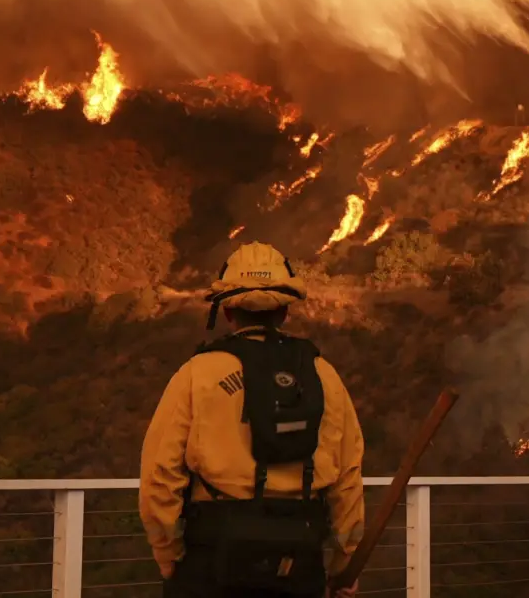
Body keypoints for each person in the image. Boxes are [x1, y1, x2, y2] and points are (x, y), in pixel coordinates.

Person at [139, 242, 366, 598]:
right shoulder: (324, 376)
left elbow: (159, 477)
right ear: (285, 310)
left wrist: (171, 559)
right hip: (298, 564)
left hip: (211, 565)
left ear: (227, 309)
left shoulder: (197, 374)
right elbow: (347, 478)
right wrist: (342, 565)